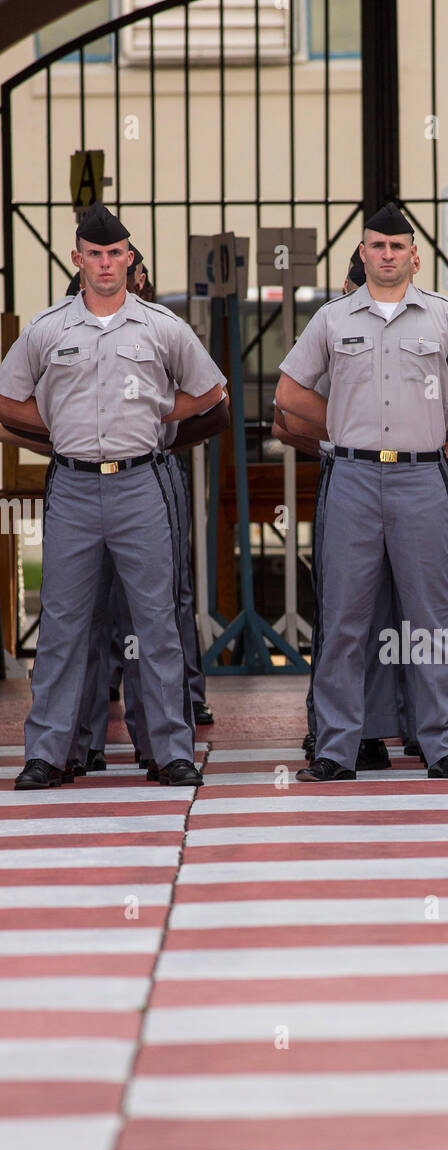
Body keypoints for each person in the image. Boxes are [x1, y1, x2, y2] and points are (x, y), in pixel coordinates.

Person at [0, 201, 225, 790]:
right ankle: (48, 754)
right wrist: (61, 422)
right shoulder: (48, 327)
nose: (105, 263)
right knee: (63, 624)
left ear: (130, 259)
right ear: (78, 260)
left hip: (139, 481)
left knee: (156, 623)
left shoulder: (161, 327)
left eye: (115, 254)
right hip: (72, 486)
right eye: (94, 254)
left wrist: (157, 412)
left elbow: (210, 391)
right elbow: (6, 397)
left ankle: (170, 751)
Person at [276, 200, 448, 782]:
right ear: (362, 252)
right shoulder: (332, 319)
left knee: (432, 616)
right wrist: (344, 422)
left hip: (421, 475)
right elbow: (289, 394)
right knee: (343, 616)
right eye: (377, 246)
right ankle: (335, 748)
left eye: (397, 247)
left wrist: (437, 420)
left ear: (415, 258)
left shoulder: (444, 318)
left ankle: (444, 745)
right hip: (350, 476)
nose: (387, 255)